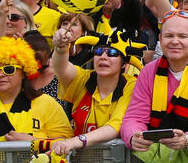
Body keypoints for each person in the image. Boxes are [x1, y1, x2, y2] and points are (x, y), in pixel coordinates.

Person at [120, 10, 188, 152]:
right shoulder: (148, 71)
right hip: (153, 155)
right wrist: (133, 136)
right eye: (169, 36)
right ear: (160, 38)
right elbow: (134, 118)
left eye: (182, 36)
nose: (175, 41)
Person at [0, 37, 73, 144]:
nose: (0, 75)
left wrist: (32, 142)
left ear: (23, 72)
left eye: (9, 69)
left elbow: (67, 143)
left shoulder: (46, 104)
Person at [48, 28, 139, 156]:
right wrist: (61, 47)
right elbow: (61, 68)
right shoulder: (83, 78)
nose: (103, 57)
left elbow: (115, 127)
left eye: (112, 53)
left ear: (123, 64)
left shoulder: (132, 85)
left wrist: (75, 142)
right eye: (99, 51)